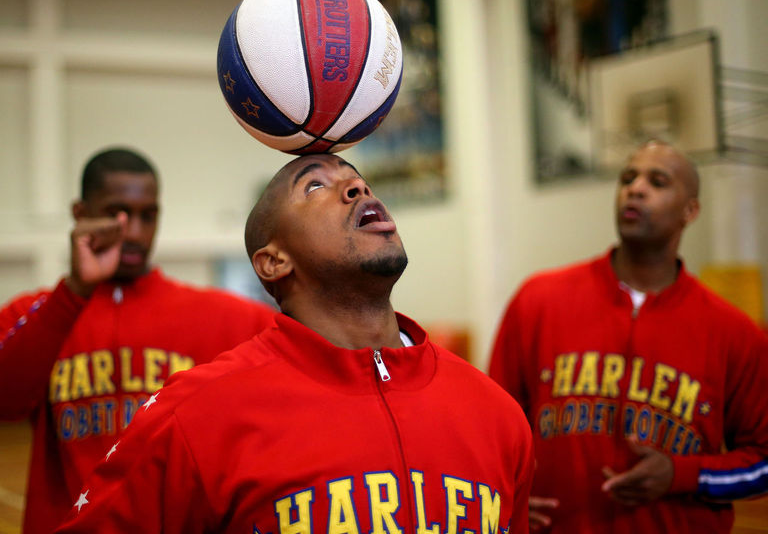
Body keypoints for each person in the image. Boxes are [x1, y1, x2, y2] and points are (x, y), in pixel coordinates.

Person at [54, 152, 535, 534]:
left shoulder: (496, 414)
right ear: (272, 261)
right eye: (315, 186)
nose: (358, 187)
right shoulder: (195, 416)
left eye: (359, 180)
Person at [488, 139, 768, 533]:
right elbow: (490, 429)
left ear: (691, 211)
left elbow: (763, 463)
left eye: (657, 181)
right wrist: (506, 498)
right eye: (628, 178)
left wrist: (681, 474)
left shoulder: (734, 332)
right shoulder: (538, 300)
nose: (635, 188)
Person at [0, 147, 277, 534]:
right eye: (117, 214)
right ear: (80, 214)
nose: (132, 232)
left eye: (148, 216)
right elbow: (6, 403)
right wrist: (75, 292)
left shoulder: (223, 316)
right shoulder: (37, 313)